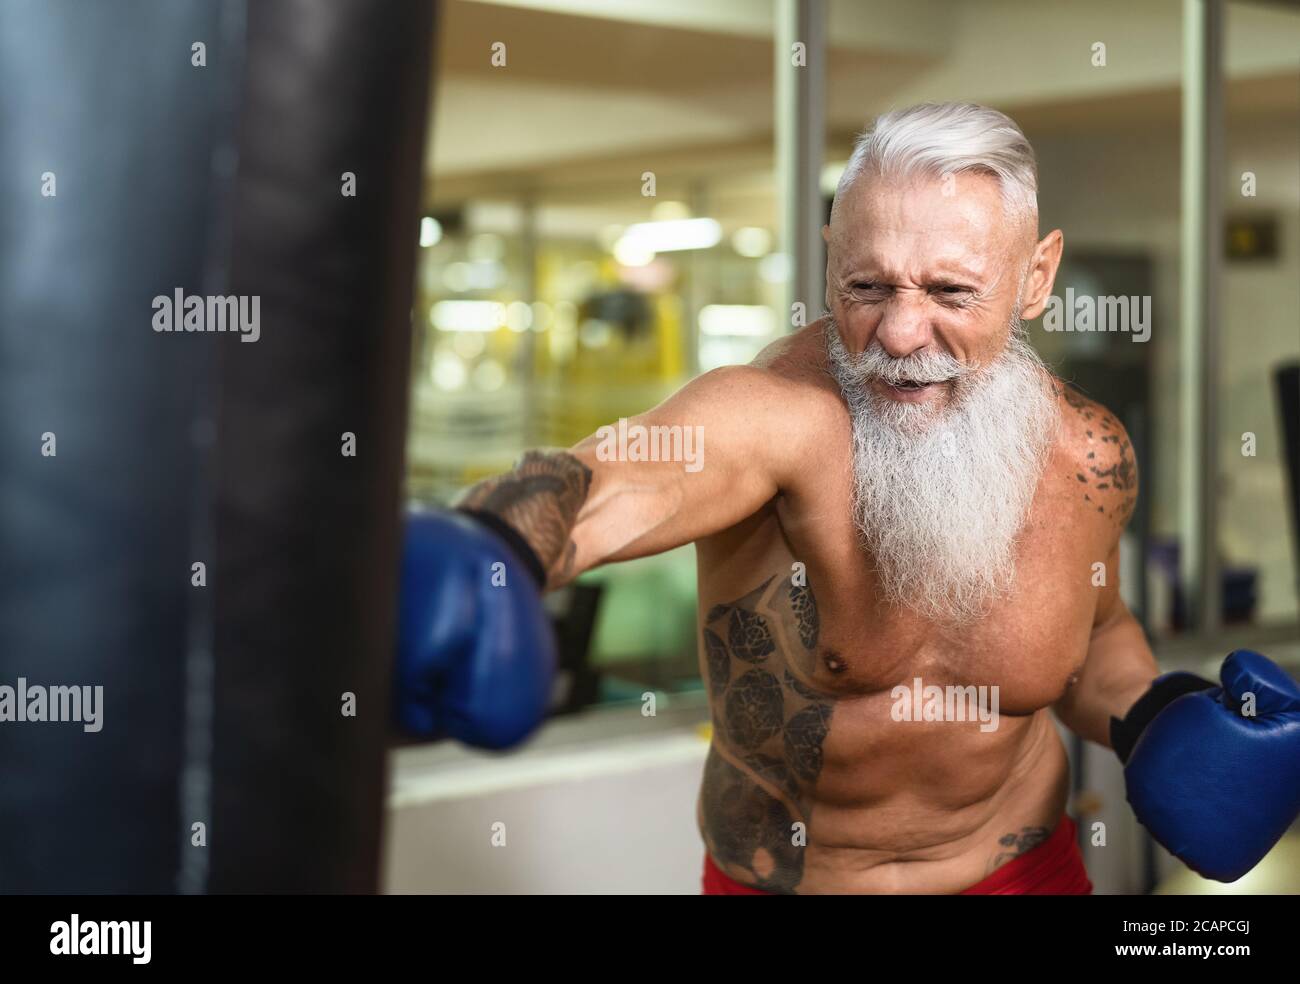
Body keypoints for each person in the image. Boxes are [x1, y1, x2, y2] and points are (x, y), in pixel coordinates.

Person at [397, 102, 1300, 894]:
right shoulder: (778, 418)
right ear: (833, 260)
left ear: (1036, 277)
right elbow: (609, 482)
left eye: (952, 291)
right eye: (866, 287)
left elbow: (1094, 635)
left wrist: (1150, 715)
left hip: (1025, 880)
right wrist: (494, 543)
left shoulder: (1087, 454)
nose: (902, 334)